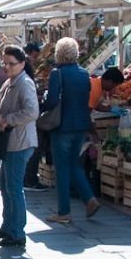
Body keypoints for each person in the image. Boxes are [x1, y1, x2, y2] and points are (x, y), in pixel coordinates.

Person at [41, 37, 100, 224]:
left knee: (62, 169)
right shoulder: (84, 74)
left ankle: (64, 212)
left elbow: (51, 102)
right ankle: (89, 199)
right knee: (75, 164)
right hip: (81, 126)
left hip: (62, 126)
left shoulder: (57, 74)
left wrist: (43, 105)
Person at [0, 46, 38, 248]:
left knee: (13, 187)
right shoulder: (9, 82)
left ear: (22, 64)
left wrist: (9, 120)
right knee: (4, 184)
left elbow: (32, 111)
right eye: (4, 63)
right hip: (9, 143)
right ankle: (8, 226)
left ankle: (17, 232)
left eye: (11, 63)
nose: (7, 67)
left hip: (20, 142)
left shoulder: (25, 84)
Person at [22, 42, 48, 192]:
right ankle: (30, 179)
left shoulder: (21, 81)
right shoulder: (25, 81)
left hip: (27, 123)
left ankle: (28, 178)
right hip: (31, 121)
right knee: (34, 148)